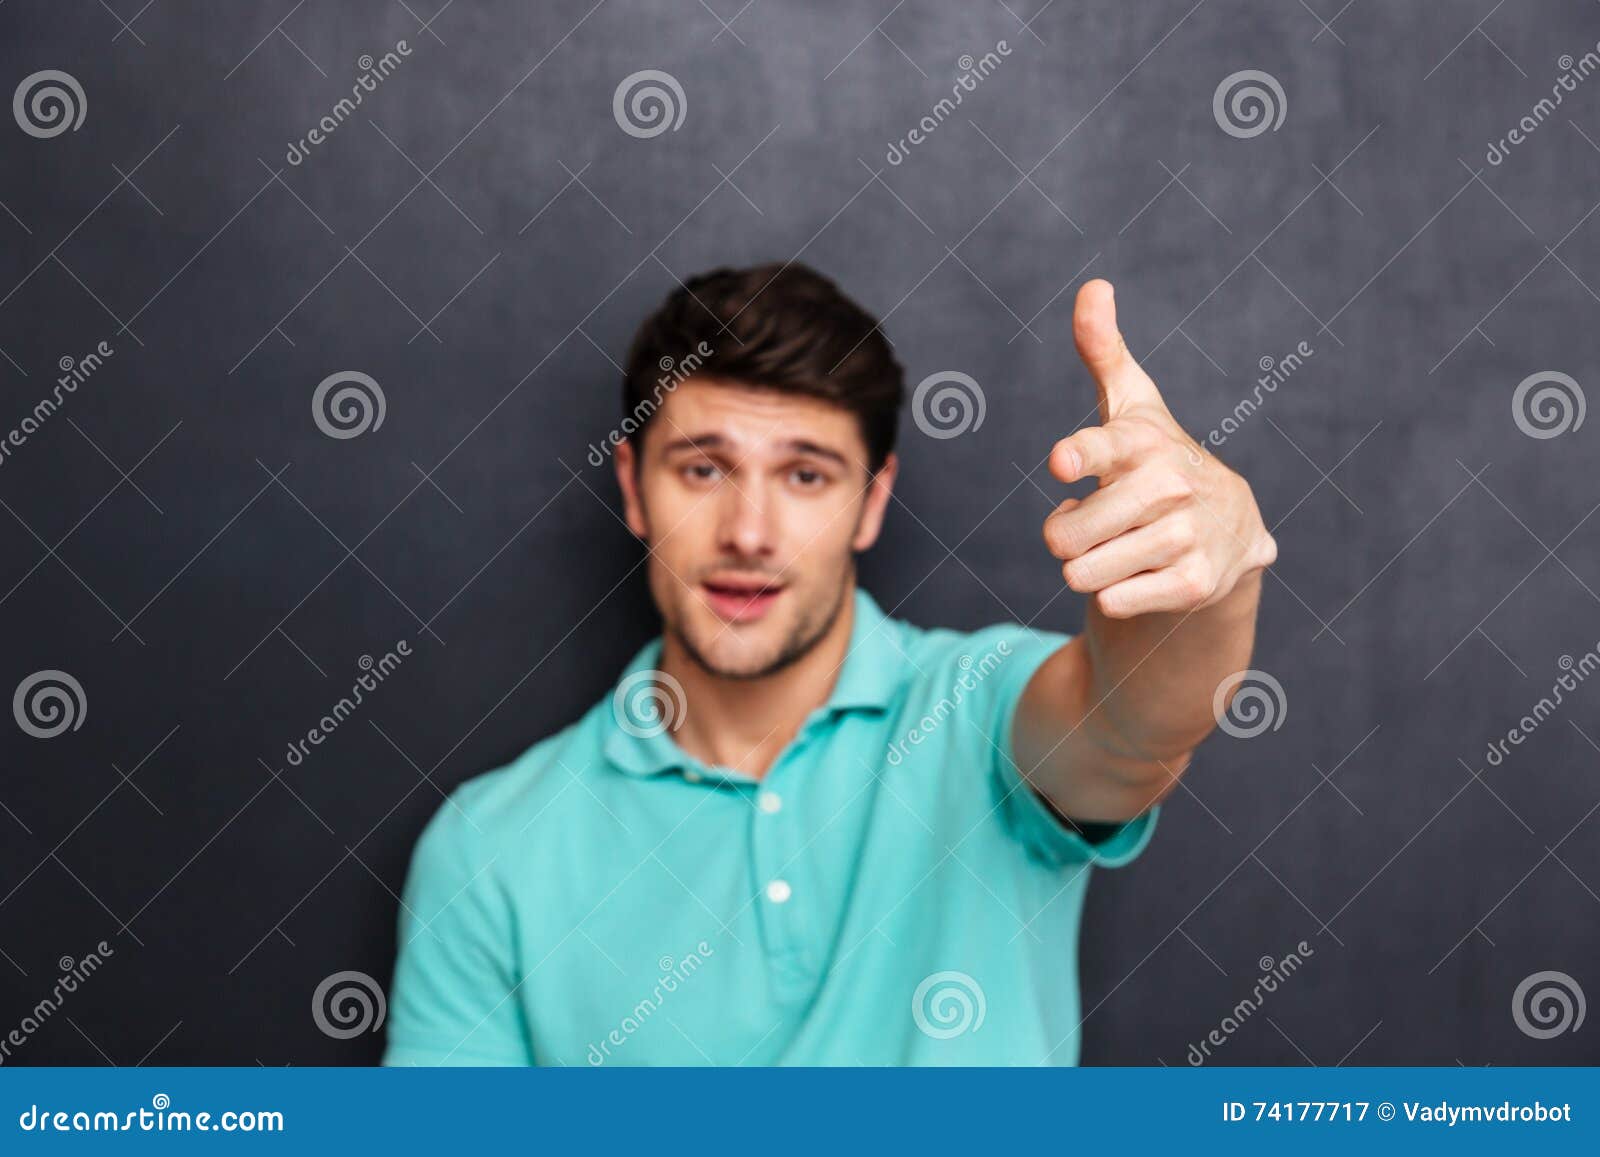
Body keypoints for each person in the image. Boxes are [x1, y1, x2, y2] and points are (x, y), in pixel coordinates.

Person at [381, 263, 1275, 1066]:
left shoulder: (975, 713)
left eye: (805, 475)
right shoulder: (490, 850)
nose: (749, 532)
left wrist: (1215, 589)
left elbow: (1130, 730)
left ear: (869, 501)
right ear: (633, 485)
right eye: (702, 469)